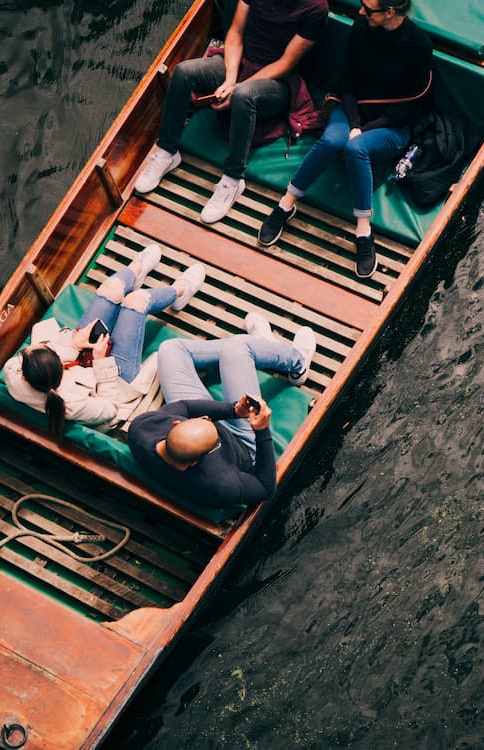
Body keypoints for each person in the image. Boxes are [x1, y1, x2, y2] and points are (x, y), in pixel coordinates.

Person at [256, 0, 432, 278]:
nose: (361, 12)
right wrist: (354, 124)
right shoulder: (362, 28)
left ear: (390, 12)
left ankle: (363, 230)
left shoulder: (418, 45)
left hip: (392, 125)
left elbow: (407, 109)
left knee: (356, 148)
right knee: (331, 141)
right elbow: (346, 82)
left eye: (368, 8)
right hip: (352, 111)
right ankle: (286, 203)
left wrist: (363, 130)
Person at [133, 0, 329, 224]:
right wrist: (230, 79)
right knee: (184, 72)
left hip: (276, 82)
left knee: (243, 95)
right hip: (241, 63)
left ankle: (233, 180)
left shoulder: (316, 8)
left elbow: (286, 62)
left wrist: (236, 89)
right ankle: (167, 152)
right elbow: (235, 32)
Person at [2, 244, 205, 439]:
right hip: (115, 380)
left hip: (80, 358)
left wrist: (74, 344)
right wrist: (101, 362)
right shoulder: (74, 405)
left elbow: (21, 360)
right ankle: (179, 291)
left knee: (111, 289)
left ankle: (136, 270)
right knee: (136, 301)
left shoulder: (14, 373)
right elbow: (111, 407)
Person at [126, 312, 316, 509]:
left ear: (176, 424)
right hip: (243, 443)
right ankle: (298, 362)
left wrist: (234, 410)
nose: (210, 419)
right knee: (238, 347)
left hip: (226, 419)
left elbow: (185, 407)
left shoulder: (141, 429)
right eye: (214, 437)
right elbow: (265, 487)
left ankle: (259, 348)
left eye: (203, 420)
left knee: (171, 349)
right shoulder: (218, 484)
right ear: (195, 462)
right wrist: (262, 431)